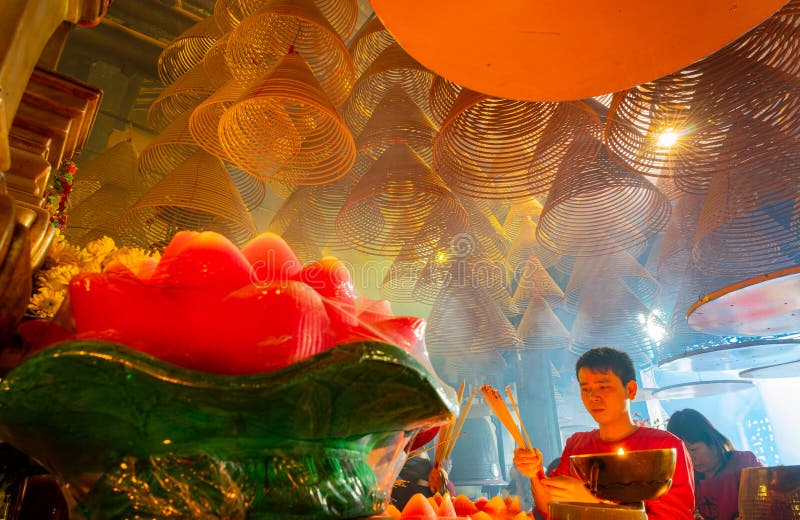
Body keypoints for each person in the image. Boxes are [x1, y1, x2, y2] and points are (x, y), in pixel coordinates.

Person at [514, 347, 695, 519]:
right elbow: (550, 509)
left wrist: (590, 502)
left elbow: (673, 517)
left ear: (631, 390)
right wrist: (534, 472)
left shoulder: (664, 446)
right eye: (585, 389)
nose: (593, 397)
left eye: (603, 387)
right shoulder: (577, 444)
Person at [667, 408, 762, 520]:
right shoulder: (687, 481)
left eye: (693, 449)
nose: (690, 459)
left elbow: (765, 507)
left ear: (712, 441)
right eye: (683, 454)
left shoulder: (744, 463)